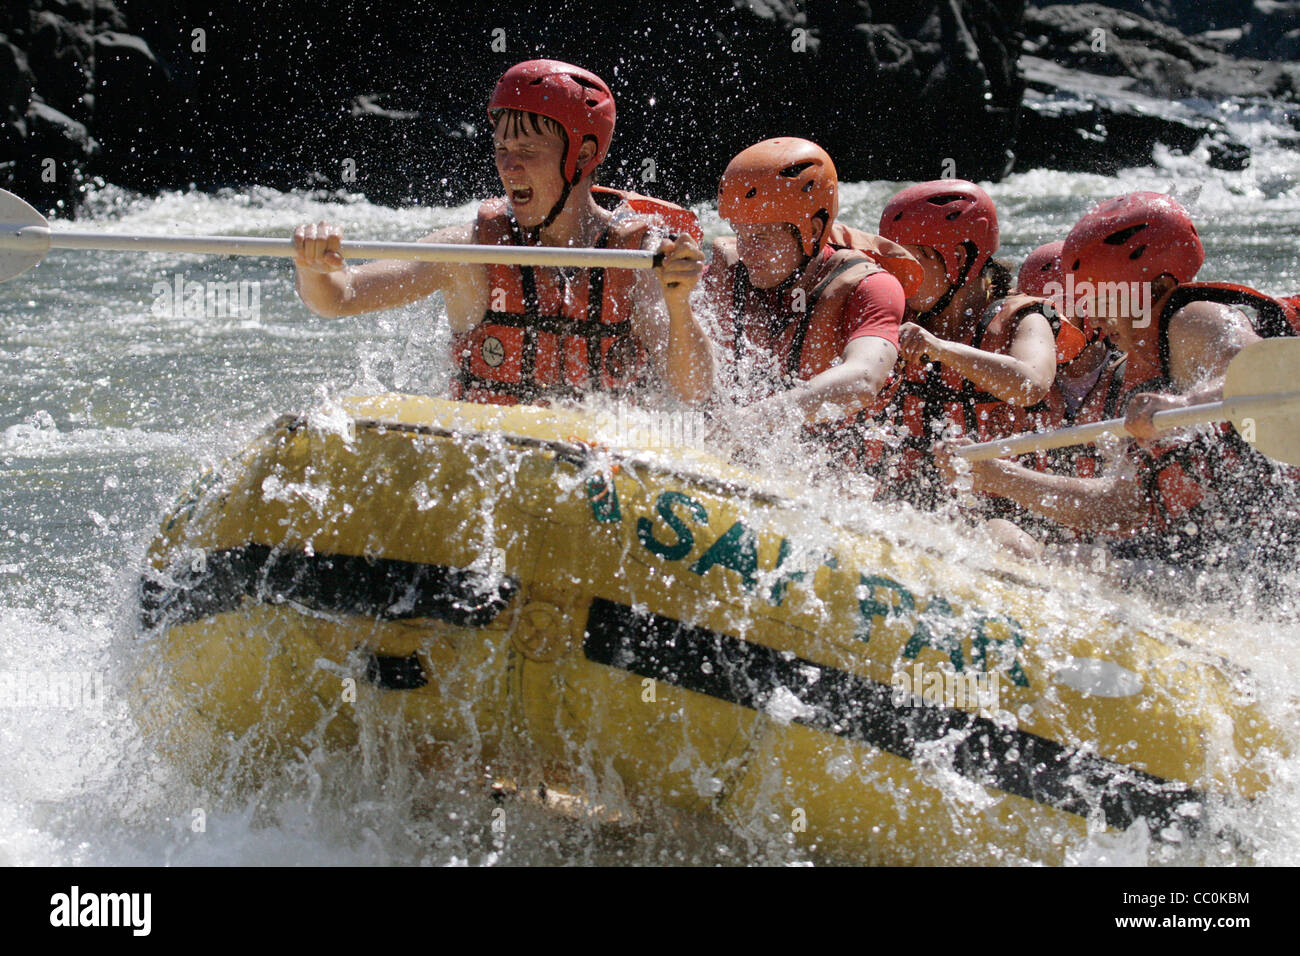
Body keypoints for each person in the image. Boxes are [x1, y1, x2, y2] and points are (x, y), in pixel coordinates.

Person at [292, 59, 715, 406]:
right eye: (502, 150)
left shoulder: (641, 259)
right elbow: (338, 297)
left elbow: (695, 390)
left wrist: (680, 306)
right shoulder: (468, 253)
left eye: (528, 151)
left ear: (583, 154)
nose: (509, 167)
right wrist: (314, 264)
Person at [935, 192, 1300, 573]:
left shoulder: (1193, 317)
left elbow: (1269, 375)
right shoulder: (1142, 375)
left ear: (1155, 289)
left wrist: (1184, 405)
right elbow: (1124, 506)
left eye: (1105, 300)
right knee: (1043, 558)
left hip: (1277, 546)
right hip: (1238, 553)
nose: (1093, 319)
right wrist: (995, 473)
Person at [699, 137, 911, 453]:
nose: (746, 252)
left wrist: (751, 420)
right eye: (740, 233)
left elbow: (864, 380)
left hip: (839, 484)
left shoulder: (869, 287)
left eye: (762, 237)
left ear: (811, 230)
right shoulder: (726, 275)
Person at [866, 180, 1057, 505]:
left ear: (956, 258)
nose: (898, 276)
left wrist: (941, 349)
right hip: (908, 499)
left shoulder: (1024, 319)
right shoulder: (902, 312)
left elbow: (1031, 385)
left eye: (910, 263)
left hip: (998, 509)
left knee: (1009, 540)